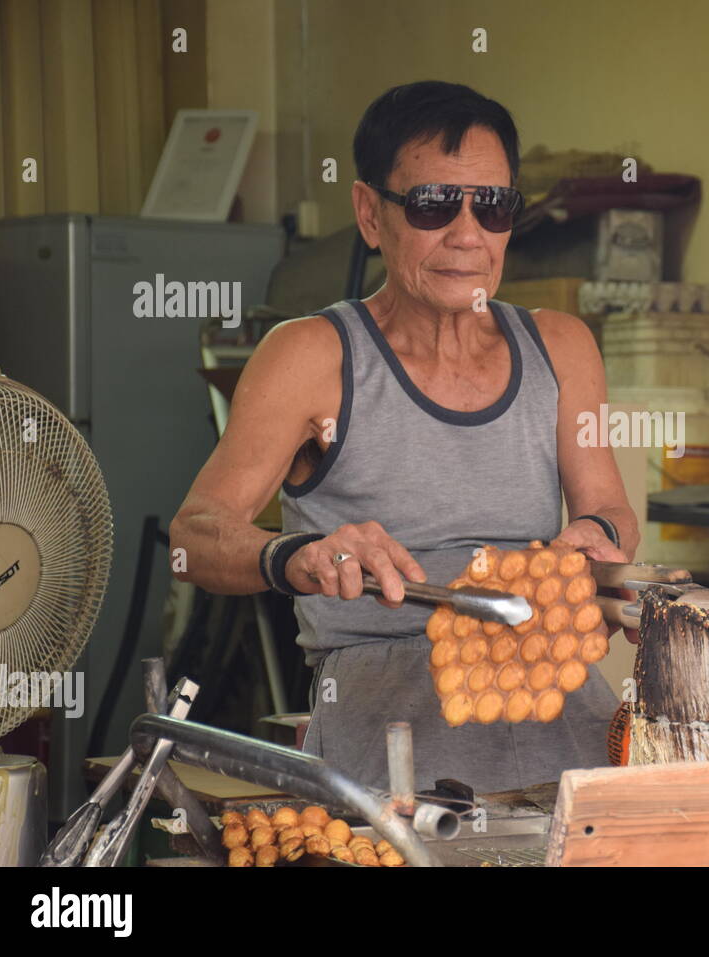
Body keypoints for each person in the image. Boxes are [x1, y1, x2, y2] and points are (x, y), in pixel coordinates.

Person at [170, 80, 638, 794]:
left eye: (494, 206)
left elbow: (609, 505)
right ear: (369, 212)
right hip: (384, 722)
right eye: (432, 205)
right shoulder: (311, 357)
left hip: (549, 694)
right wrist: (295, 555)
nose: (467, 235)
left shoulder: (562, 347)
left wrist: (593, 537)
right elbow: (194, 536)